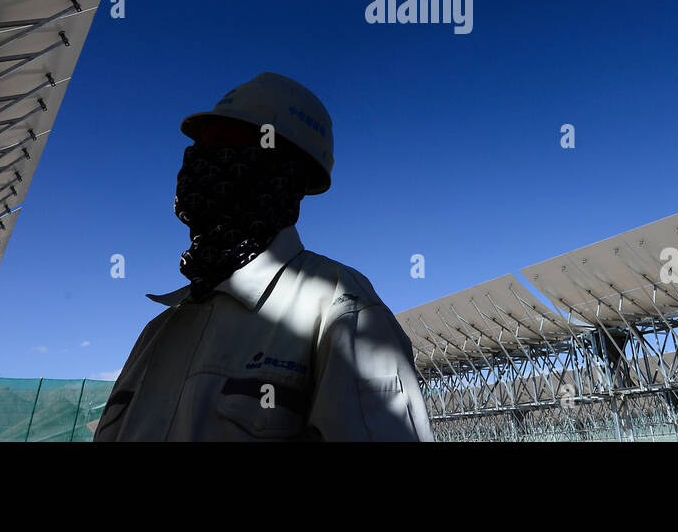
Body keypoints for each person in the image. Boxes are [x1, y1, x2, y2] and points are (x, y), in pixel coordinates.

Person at [94, 72, 433, 442]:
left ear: (284, 172)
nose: (201, 165)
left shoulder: (341, 308)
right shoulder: (158, 331)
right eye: (200, 150)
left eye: (226, 146)